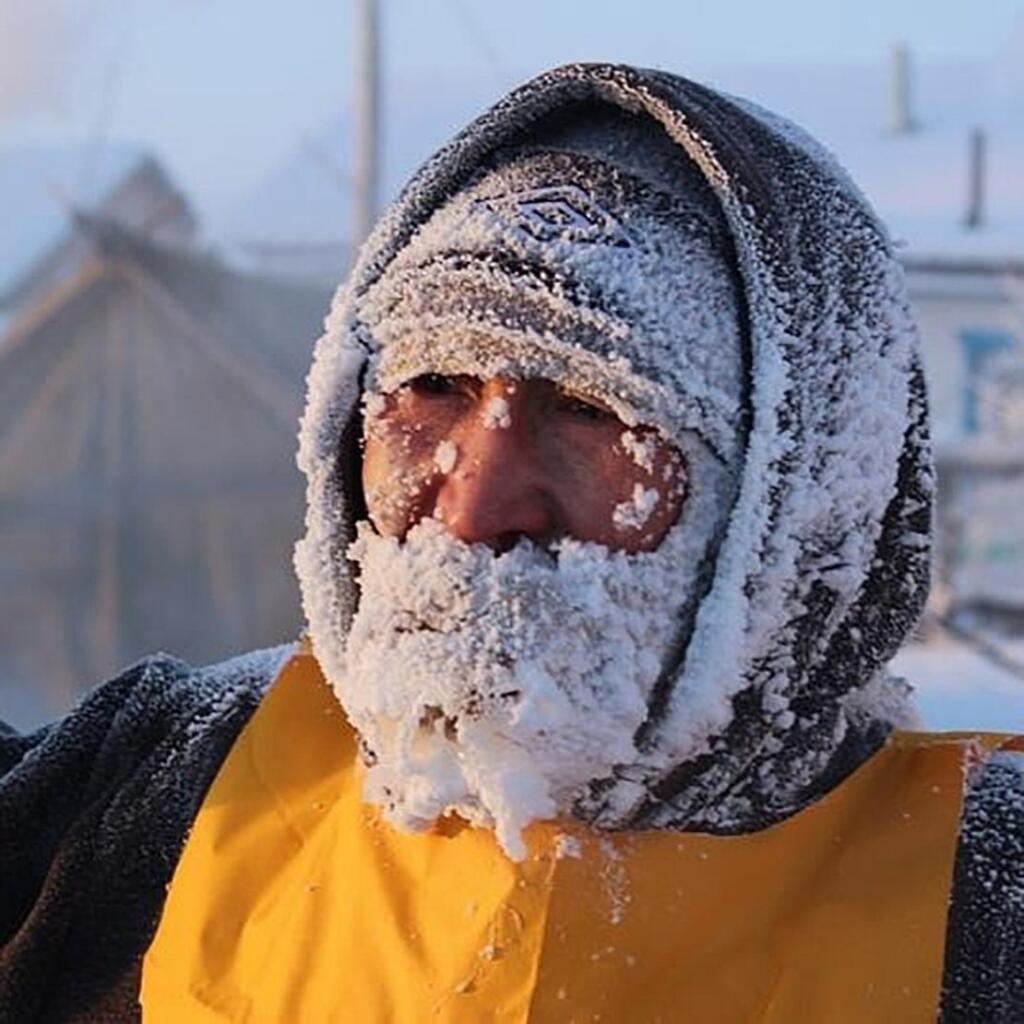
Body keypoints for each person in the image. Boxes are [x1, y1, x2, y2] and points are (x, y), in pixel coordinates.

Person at [2, 62, 1021, 1023]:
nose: (478, 502)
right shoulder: (180, 780)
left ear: (796, 493)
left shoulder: (984, 897)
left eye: (590, 407)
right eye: (433, 386)